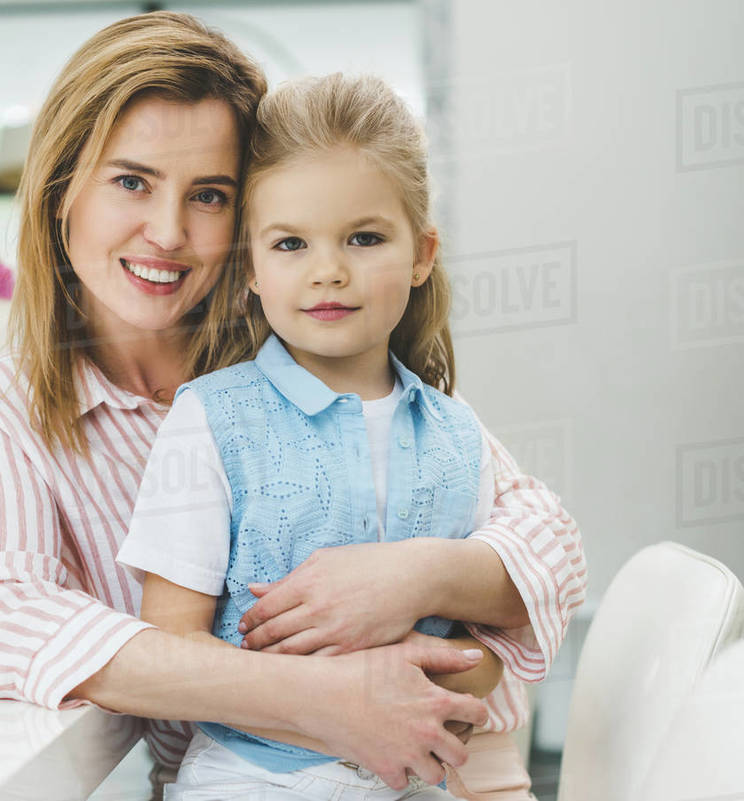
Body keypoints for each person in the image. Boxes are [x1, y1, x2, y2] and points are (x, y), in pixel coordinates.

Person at [0, 11, 586, 800]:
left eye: (209, 195)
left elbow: (548, 540)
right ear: (61, 189)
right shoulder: (6, 410)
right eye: (131, 181)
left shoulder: (314, 340)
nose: (167, 231)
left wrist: (414, 577)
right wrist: (329, 699)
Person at [117, 72, 522, 801]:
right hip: (250, 783)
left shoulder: (460, 434)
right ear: (250, 266)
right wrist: (339, 694)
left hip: (416, 781)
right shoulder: (210, 420)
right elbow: (170, 643)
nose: (328, 271)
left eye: (364, 238)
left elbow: (490, 648)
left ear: (422, 253)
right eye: (291, 243)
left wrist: (423, 674)